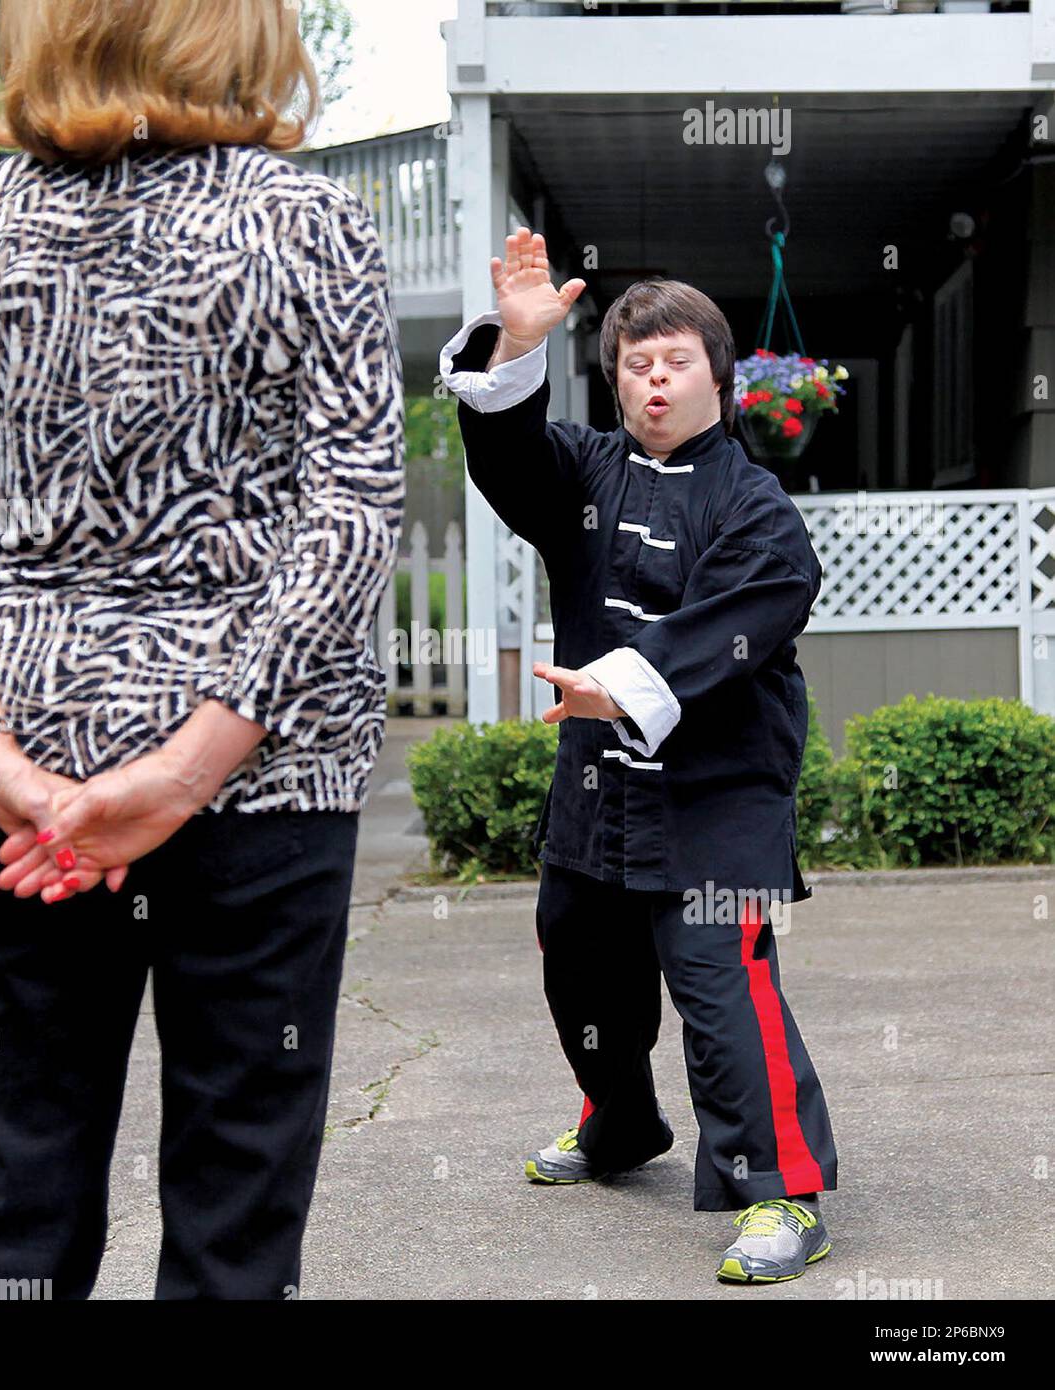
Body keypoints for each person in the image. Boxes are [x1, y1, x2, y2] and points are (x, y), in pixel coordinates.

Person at [0, 0, 404, 1300]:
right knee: (236, 1196)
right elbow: (348, 513)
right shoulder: (307, 220)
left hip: (28, 797)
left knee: (24, 1179)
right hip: (262, 786)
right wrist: (185, 769)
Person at [438, 227, 838, 1284]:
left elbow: (756, 608)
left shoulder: (753, 504)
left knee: (720, 988)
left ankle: (780, 1193)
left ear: (717, 375)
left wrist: (620, 683)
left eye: (672, 360)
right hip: (596, 792)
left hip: (717, 795)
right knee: (579, 967)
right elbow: (509, 456)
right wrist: (515, 351)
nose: (651, 379)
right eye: (632, 363)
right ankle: (617, 1126)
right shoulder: (581, 468)